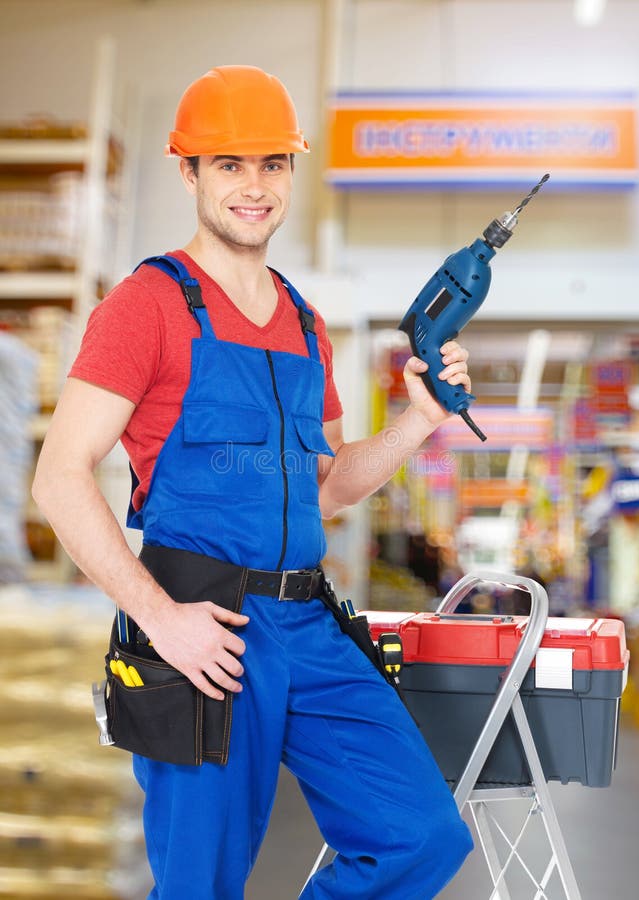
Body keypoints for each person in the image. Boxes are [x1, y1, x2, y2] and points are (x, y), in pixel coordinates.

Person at [33, 65, 473, 899]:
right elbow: (58, 479)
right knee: (199, 884)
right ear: (189, 172)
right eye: (229, 163)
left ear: (293, 173)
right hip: (205, 633)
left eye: (272, 162)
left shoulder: (306, 324)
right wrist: (161, 621)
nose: (254, 185)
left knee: (420, 835)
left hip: (308, 625)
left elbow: (330, 487)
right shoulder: (146, 306)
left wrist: (417, 422)